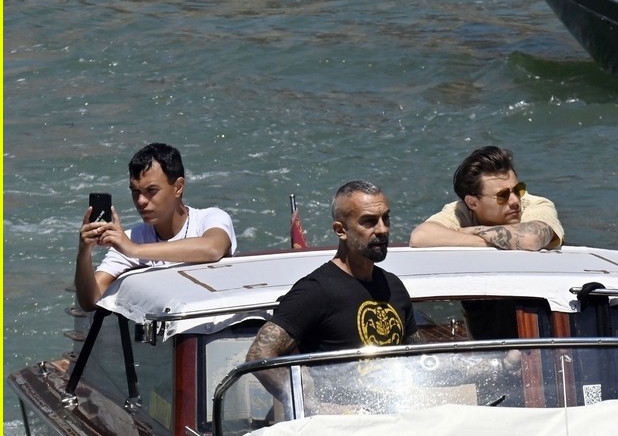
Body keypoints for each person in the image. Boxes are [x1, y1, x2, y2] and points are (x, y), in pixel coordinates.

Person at [247, 180, 420, 361]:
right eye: (369, 222)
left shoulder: (393, 286)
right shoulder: (314, 291)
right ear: (340, 230)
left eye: (386, 218)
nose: (383, 229)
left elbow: (419, 353)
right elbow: (258, 356)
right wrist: (307, 387)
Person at [75, 142, 237, 311]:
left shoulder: (210, 218)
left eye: (151, 190)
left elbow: (212, 248)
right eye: (135, 191)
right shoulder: (128, 240)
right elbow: (91, 301)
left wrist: (134, 250)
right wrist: (84, 253)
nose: (141, 201)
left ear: (178, 187)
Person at [409, 146, 564, 251]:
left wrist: (471, 231)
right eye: (502, 195)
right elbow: (420, 236)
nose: (515, 201)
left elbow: (531, 238)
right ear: (472, 202)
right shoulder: (460, 211)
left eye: (517, 190)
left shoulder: (537, 205)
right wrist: (487, 242)